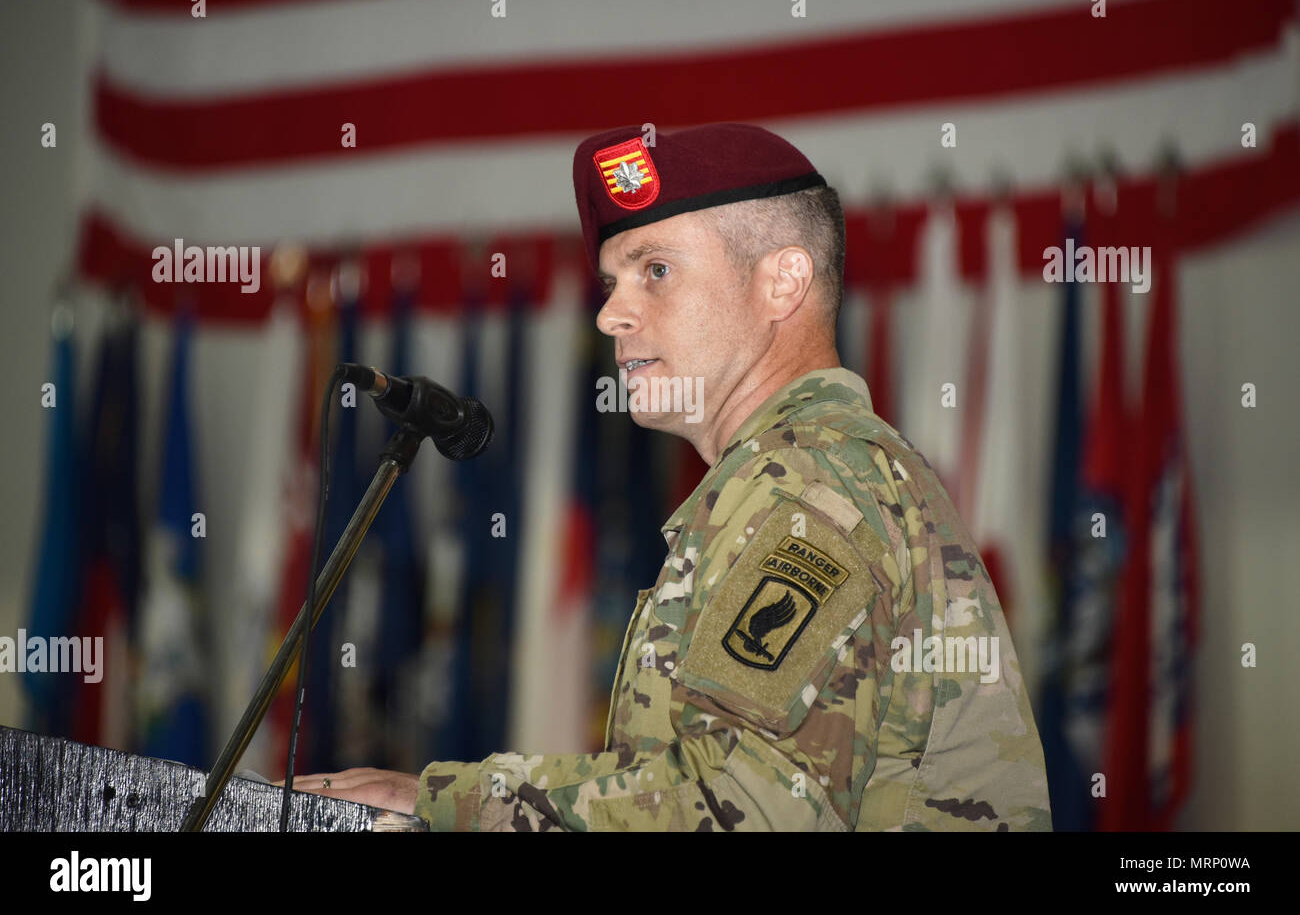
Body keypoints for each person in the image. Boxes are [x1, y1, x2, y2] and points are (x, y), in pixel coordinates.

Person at [289, 122, 1052, 830]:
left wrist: (445, 804)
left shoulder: (810, 482)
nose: (610, 315)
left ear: (783, 282)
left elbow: (739, 807)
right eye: (612, 281)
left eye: (655, 270)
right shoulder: (807, 469)